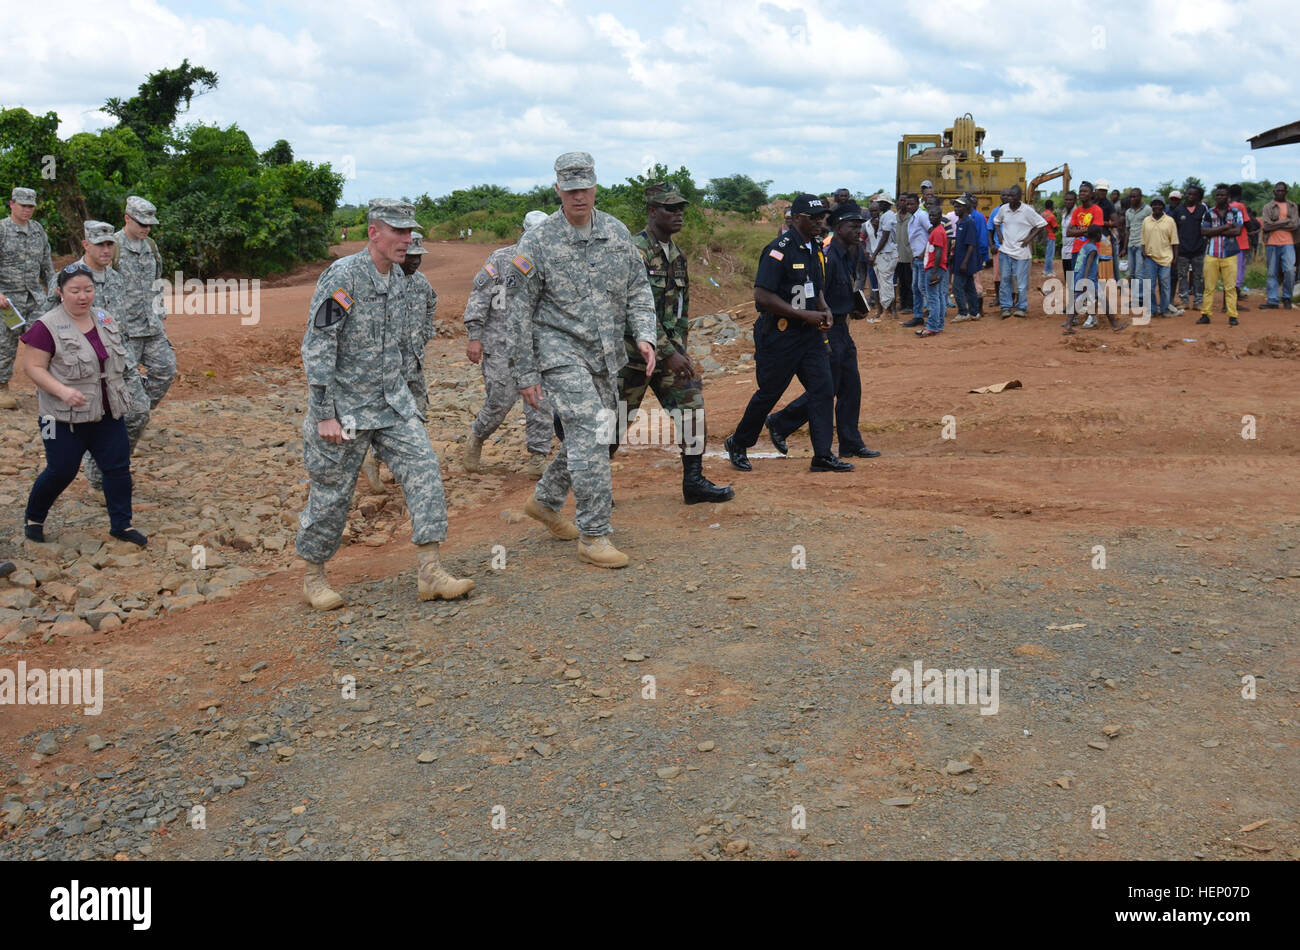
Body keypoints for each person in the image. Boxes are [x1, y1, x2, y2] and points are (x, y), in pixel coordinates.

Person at [296, 198, 473, 608]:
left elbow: (405, 345)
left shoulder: (402, 280)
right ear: (374, 232)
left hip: (393, 406)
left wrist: (411, 396)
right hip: (345, 409)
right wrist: (325, 414)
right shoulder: (343, 278)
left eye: (410, 232)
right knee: (332, 494)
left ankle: (430, 571)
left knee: (425, 471)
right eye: (398, 231)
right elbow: (318, 345)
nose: (407, 240)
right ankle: (313, 576)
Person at [508, 152, 658, 568]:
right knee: (592, 432)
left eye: (585, 187)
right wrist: (525, 372)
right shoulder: (536, 242)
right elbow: (517, 312)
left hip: (606, 353)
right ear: (557, 189)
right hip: (559, 350)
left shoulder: (615, 231)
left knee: (597, 433)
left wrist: (645, 335)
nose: (579, 195)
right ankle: (594, 534)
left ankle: (545, 500)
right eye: (570, 188)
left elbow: (637, 289)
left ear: (595, 186)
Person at [616, 181, 733, 503]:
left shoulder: (677, 256)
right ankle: (594, 486)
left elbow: (678, 312)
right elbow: (631, 308)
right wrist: (667, 352)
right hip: (629, 357)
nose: (678, 214)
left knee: (691, 408)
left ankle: (693, 482)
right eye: (671, 208)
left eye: (681, 208)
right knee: (612, 425)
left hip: (668, 356)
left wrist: (678, 350)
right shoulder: (632, 251)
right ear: (652, 211)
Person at [20, 263, 147, 546]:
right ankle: (34, 517)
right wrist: (63, 391)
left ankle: (121, 525)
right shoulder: (46, 326)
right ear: (60, 292)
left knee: (117, 467)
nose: (82, 296)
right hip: (59, 417)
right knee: (61, 470)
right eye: (75, 290)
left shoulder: (104, 318)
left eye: (88, 290)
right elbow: (33, 367)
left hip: (106, 410)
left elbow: (116, 358)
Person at [723, 194, 850, 473]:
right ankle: (739, 442)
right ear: (796, 219)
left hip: (810, 336)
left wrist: (824, 309)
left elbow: (813, 287)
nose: (820, 222)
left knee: (823, 389)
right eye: (814, 218)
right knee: (769, 394)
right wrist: (805, 315)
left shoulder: (813, 248)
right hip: (779, 336)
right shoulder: (778, 250)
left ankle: (822, 456)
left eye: (822, 217)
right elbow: (762, 297)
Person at [764, 201, 880, 460]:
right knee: (827, 388)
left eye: (859, 226)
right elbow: (817, 292)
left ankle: (850, 442)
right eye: (853, 226)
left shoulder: (850, 251)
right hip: (826, 329)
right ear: (838, 228)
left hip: (843, 327)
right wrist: (822, 331)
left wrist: (855, 308)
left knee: (851, 387)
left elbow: (843, 290)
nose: (858, 231)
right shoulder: (824, 254)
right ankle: (781, 422)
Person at [46, 222, 152, 490]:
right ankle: (104, 476)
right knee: (93, 422)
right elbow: (44, 324)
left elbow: (121, 325)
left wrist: (132, 361)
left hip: (118, 364)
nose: (106, 250)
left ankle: (106, 468)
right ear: (85, 245)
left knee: (139, 411)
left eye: (109, 244)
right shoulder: (64, 280)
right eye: (99, 244)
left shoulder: (116, 279)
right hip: (81, 368)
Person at [462, 211, 553, 477]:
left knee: (540, 402)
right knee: (499, 400)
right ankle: (477, 436)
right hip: (500, 343)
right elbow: (480, 295)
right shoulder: (501, 259)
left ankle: (538, 456)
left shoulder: (552, 261)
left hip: (538, 345)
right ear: (522, 232)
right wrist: (474, 335)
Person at [359, 229, 443, 494]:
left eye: (419, 256)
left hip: (413, 366)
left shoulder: (421, 283)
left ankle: (402, 465)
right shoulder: (380, 282)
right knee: (382, 418)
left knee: (417, 413)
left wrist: (424, 334)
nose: (416, 261)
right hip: (386, 370)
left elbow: (432, 304)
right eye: (411, 256)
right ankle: (371, 460)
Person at [113, 196, 175, 457]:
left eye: (150, 224)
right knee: (121, 385)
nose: (147, 228)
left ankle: (136, 419)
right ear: (127, 218)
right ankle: (123, 435)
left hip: (150, 326)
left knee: (166, 370)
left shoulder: (150, 245)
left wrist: (160, 313)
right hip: (123, 330)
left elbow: (156, 280)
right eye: (141, 223)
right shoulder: (111, 246)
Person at [0, 187, 55, 410]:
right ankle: (2, 387)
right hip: (7, 301)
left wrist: (55, 288)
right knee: (5, 344)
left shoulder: (38, 231)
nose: (27, 210)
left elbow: (47, 266)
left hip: (35, 299)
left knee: (44, 341)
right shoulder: (2, 229)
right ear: (12, 204)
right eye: (23, 205)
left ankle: (46, 386)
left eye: (31, 206)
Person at [994, 185, 1046, 317]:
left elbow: (1041, 224)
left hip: (1021, 254)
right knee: (1005, 280)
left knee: (1021, 283)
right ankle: (1006, 307)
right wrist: (999, 234)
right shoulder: (1003, 209)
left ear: (1019, 197)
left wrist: (1029, 239)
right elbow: (996, 221)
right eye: (1009, 195)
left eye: (1013, 196)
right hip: (1005, 251)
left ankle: (1021, 307)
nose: (1010, 198)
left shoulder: (1027, 211)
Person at [1198, 185, 1243, 326]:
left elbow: (1237, 232)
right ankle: (1205, 314)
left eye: (1222, 195)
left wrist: (1214, 231)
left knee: (1230, 287)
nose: (1219, 197)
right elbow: (1204, 231)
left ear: (1228, 197)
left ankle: (1232, 316)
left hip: (1229, 254)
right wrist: (1224, 228)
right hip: (1211, 254)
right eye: (1217, 195)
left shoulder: (1235, 212)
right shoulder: (1208, 213)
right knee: (1209, 287)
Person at [1259, 181, 1298, 309]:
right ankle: (1272, 300)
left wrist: (1275, 224)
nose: (1280, 192)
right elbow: (1266, 225)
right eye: (1278, 190)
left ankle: (1287, 297)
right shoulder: (1267, 207)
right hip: (1271, 243)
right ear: (1274, 192)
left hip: (1288, 243)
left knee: (1289, 271)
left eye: (1282, 190)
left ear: (1286, 192)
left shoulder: (1292, 206)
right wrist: (1285, 222)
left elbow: (1294, 225)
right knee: (1272, 272)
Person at [1140, 197, 1180, 317]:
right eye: (1154, 205)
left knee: (1164, 285)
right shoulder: (1146, 220)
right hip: (1150, 258)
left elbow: (1175, 241)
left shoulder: (1170, 221)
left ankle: (1164, 309)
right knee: (1150, 285)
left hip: (1166, 258)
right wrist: (1143, 251)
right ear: (1151, 207)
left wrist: (1175, 258)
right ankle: (1152, 309)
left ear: (1163, 206)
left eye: (1159, 205)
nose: (1156, 207)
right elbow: (1143, 238)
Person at [1172, 185, 1208, 310]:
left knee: (1198, 276)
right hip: (1182, 250)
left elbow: (1207, 228)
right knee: (1182, 276)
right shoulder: (1179, 210)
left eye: (1193, 194)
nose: (1190, 196)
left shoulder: (1203, 210)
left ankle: (1198, 301)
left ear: (1198, 197)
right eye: (1188, 194)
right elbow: (1174, 230)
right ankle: (1184, 300)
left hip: (1198, 249)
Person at [862, 198, 898, 318]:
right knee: (876, 285)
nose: (874, 213)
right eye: (871, 211)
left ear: (879, 211)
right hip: (872, 259)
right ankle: (880, 310)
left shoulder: (884, 221)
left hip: (884, 256)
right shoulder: (866, 225)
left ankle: (891, 310)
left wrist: (874, 254)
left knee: (890, 283)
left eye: (876, 210)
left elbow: (886, 238)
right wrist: (866, 253)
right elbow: (861, 240)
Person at [902, 195, 931, 328]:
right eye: (907, 204)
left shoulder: (922, 216)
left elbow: (932, 233)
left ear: (917, 204)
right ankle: (918, 316)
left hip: (924, 258)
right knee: (916, 288)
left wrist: (924, 252)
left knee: (924, 288)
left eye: (912, 204)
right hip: (916, 259)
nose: (909, 206)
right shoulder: (912, 219)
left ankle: (933, 315)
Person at [920, 204, 949, 337]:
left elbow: (938, 252)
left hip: (933, 267)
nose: (931, 217)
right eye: (930, 215)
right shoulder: (939, 230)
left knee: (933, 298)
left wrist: (933, 272)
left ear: (940, 217)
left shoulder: (937, 232)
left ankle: (932, 326)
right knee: (939, 297)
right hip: (938, 267)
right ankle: (939, 325)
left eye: (934, 215)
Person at [950, 196, 980, 321]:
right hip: (960, 260)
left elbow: (971, 244)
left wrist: (965, 262)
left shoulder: (969, 222)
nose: (956, 209)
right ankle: (974, 312)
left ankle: (963, 312)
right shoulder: (960, 222)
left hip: (964, 261)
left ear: (966, 208)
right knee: (970, 287)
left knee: (957, 287)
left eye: (959, 206)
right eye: (955, 206)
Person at [1121, 189, 1151, 310]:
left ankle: (1140, 299)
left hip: (1141, 244)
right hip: (1131, 245)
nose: (1133, 199)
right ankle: (1135, 298)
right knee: (1132, 273)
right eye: (1131, 197)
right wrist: (1124, 247)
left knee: (1139, 273)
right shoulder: (1128, 212)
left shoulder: (1148, 210)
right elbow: (1127, 230)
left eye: (1135, 197)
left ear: (1140, 197)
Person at [1068, 225, 1101, 335]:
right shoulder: (1093, 249)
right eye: (1100, 234)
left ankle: (1071, 323)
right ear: (1097, 236)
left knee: (1081, 300)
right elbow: (1088, 265)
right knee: (1092, 299)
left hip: (1079, 277)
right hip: (1087, 280)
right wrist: (1085, 280)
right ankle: (1091, 318)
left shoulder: (1085, 246)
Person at [1228, 184, 1252, 307]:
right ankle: (1234, 297)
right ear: (1240, 194)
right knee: (1239, 269)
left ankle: (1233, 295)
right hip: (1240, 242)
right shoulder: (1240, 206)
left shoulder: (1227, 206)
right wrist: (1252, 231)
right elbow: (1246, 222)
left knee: (1232, 269)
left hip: (1229, 242)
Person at [895, 193, 915, 313]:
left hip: (909, 256)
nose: (903, 203)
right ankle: (902, 303)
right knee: (901, 282)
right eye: (901, 200)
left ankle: (909, 305)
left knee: (909, 282)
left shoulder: (912, 217)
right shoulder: (895, 217)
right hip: (897, 256)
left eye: (905, 201)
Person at [1041, 199, 1058, 278]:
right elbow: (1056, 227)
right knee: (1050, 255)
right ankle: (1048, 271)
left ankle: (1046, 270)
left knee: (1047, 254)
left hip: (1044, 236)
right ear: (1052, 206)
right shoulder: (1051, 216)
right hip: (1051, 236)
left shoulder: (1043, 214)